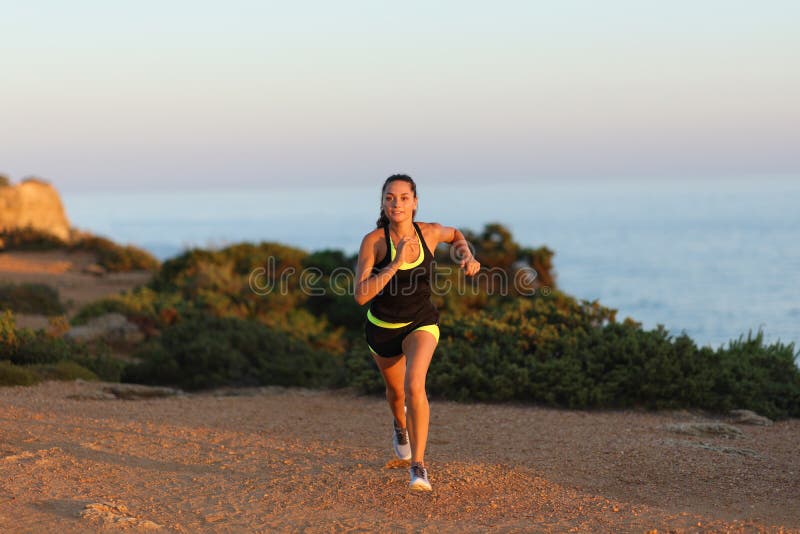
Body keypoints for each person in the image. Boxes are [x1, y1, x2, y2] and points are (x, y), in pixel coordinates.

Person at [354, 174, 480, 492]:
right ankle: (400, 427)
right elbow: (361, 295)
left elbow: (456, 236)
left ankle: (418, 467)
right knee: (396, 395)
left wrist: (467, 253)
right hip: (382, 329)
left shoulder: (429, 232)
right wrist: (395, 263)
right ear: (383, 202)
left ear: (415, 202)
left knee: (414, 386)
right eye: (390, 197)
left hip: (420, 322)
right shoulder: (374, 241)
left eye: (404, 197)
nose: (397, 203)